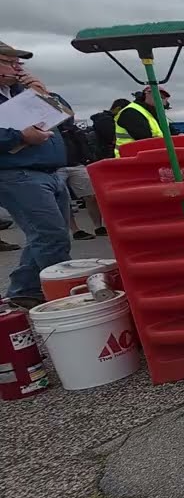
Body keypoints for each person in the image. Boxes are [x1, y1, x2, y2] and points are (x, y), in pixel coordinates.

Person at [0, 40, 72, 308]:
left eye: (19, 63)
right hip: (17, 173)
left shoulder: (22, 91)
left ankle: (24, 291)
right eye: (9, 62)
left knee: (45, 236)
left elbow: (67, 118)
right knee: (51, 236)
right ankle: (62, 297)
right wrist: (20, 137)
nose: (18, 68)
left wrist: (44, 94)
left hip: (50, 171)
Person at [55, 119, 106, 239]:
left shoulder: (72, 129)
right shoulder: (45, 129)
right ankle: (75, 230)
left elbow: (83, 144)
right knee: (63, 199)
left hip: (76, 164)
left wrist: (86, 158)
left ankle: (98, 226)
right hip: (56, 167)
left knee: (91, 195)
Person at [113, 87, 178, 156]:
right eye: (157, 95)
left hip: (150, 156)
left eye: (163, 97)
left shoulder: (158, 114)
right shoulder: (131, 112)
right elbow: (145, 139)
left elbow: (171, 131)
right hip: (130, 158)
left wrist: (180, 135)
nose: (160, 99)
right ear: (146, 94)